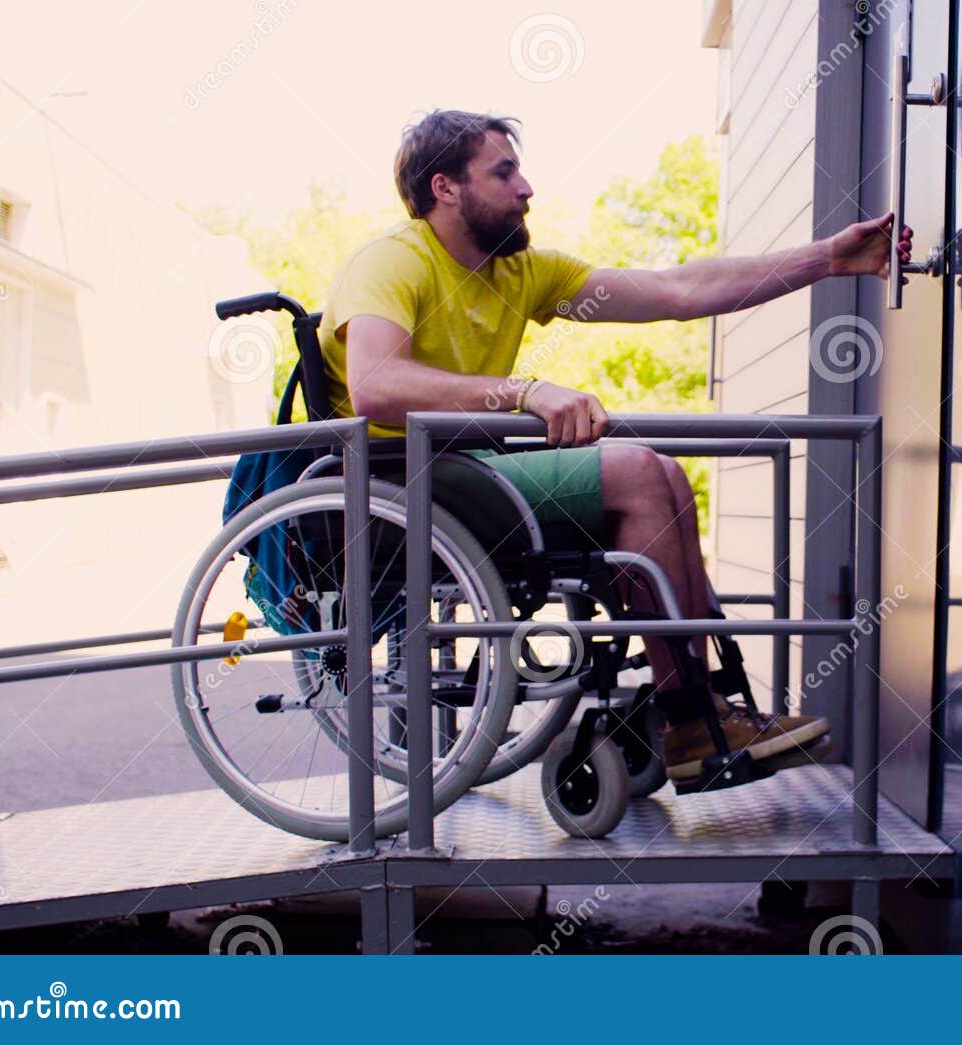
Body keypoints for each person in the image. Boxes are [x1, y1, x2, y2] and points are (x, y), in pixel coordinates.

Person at [317, 109, 912, 783]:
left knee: (663, 474)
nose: (526, 188)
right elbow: (374, 383)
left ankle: (694, 706)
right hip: (399, 485)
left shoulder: (519, 273)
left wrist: (829, 259)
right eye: (504, 172)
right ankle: (690, 715)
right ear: (444, 187)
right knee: (632, 470)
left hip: (470, 473)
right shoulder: (393, 261)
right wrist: (524, 391)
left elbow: (679, 290)